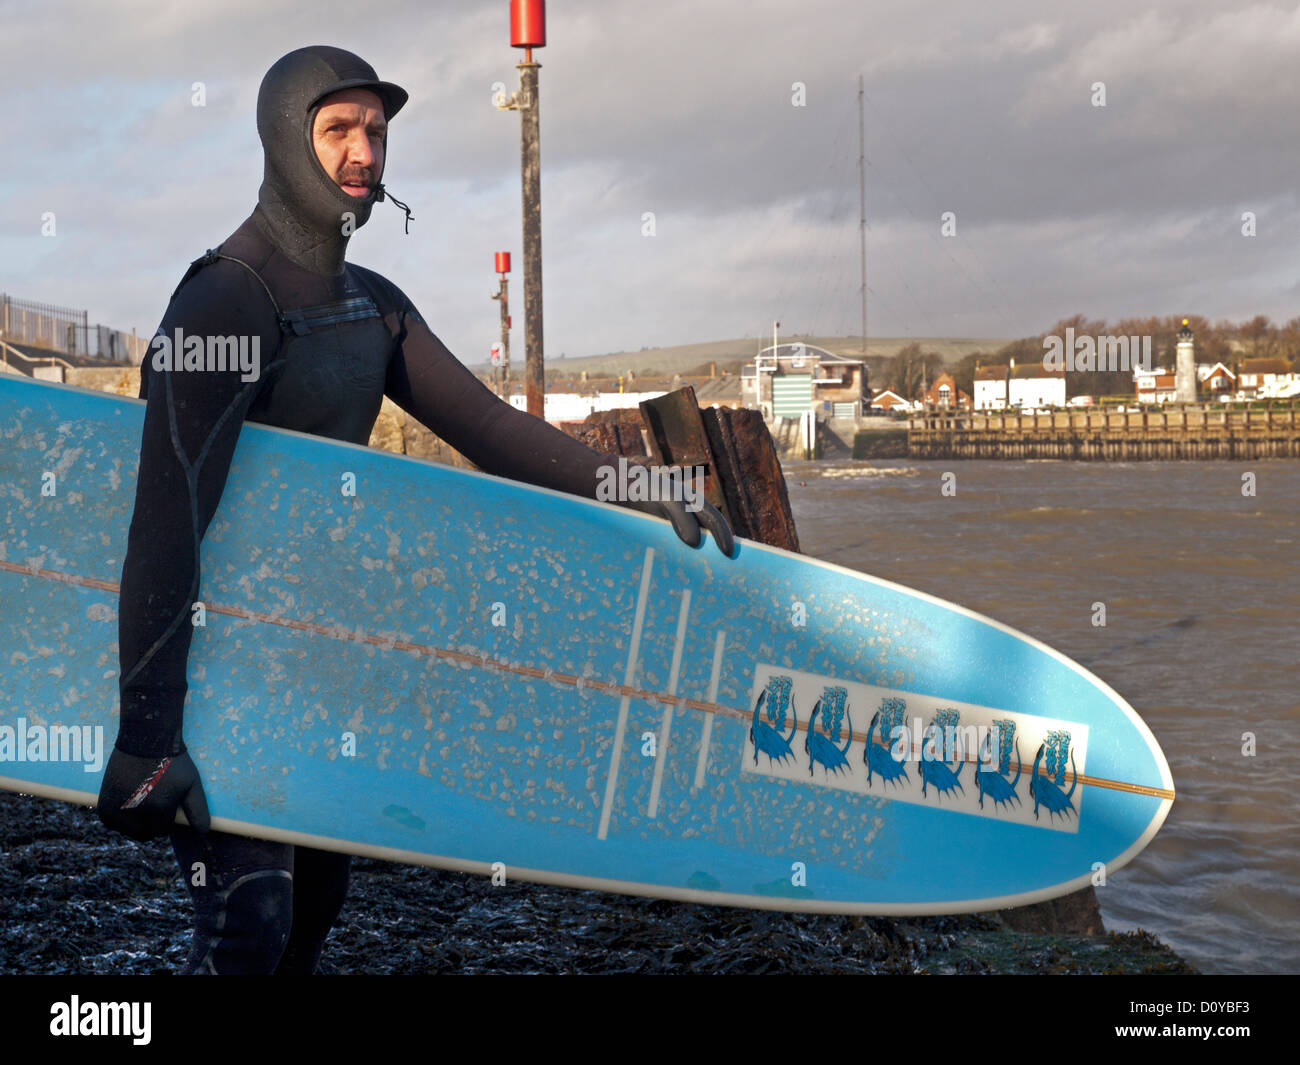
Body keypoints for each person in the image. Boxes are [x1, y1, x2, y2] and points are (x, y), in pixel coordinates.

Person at [96, 45, 734, 975]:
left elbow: (490, 427)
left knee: (314, 906)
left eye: (378, 131)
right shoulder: (225, 301)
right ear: (285, 139)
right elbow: (164, 521)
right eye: (339, 129)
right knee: (247, 917)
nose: (364, 152)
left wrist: (643, 488)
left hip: (319, 652)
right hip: (220, 662)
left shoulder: (372, 306)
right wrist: (147, 734)